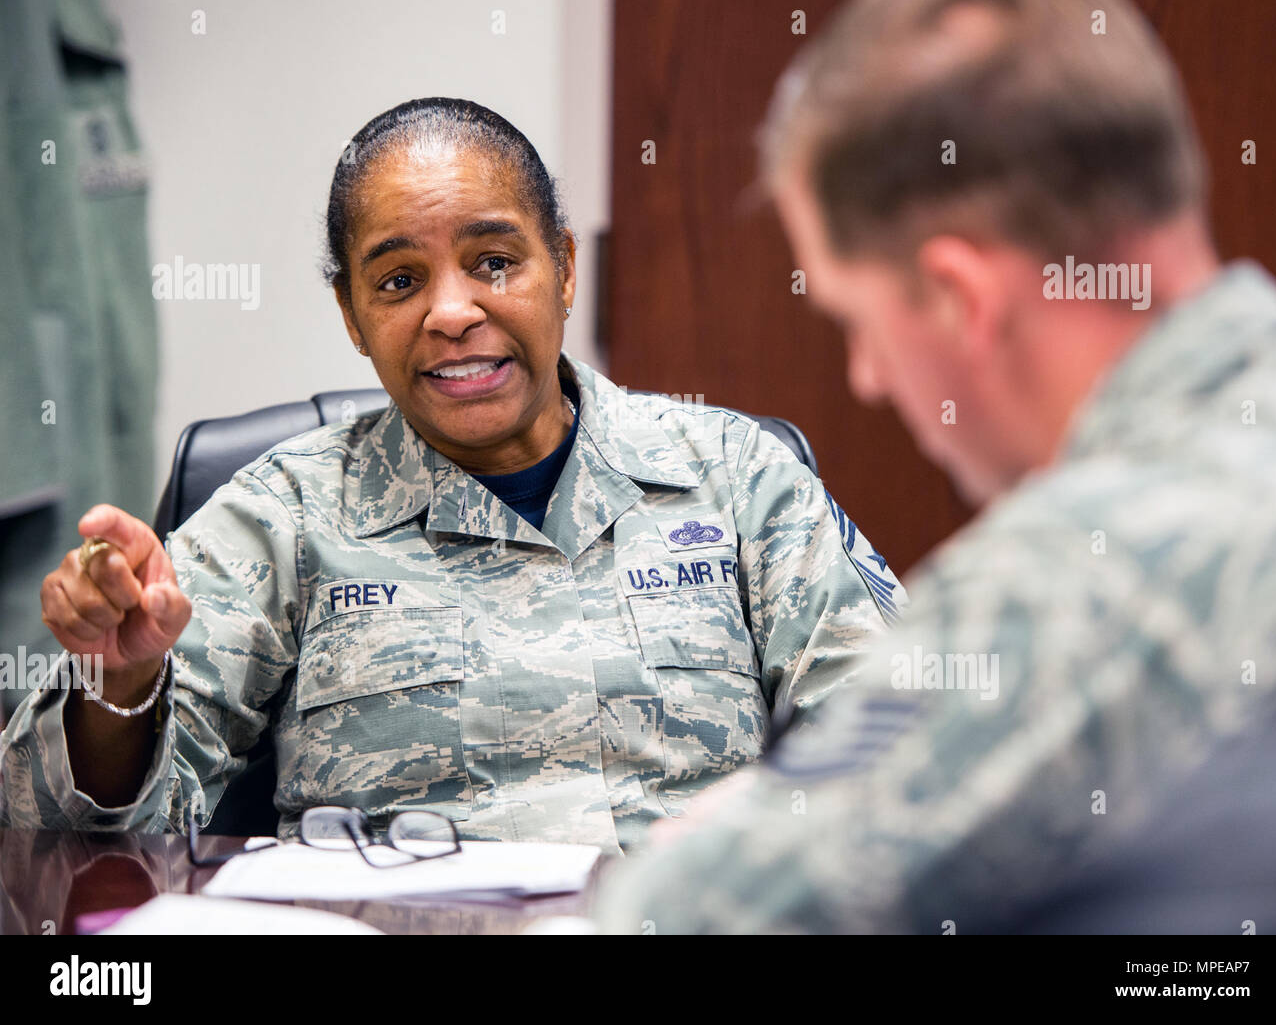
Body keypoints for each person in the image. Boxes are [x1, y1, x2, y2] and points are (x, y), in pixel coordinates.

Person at [594, 0, 1276, 931]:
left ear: (962, 298)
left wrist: (741, 828)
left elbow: (686, 918)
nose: (867, 376)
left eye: (857, 320)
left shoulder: (1071, 578)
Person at [0, 98, 903, 855]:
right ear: (353, 316)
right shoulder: (282, 516)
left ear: (564, 269)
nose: (451, 312)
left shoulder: (739, 478)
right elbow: (63, 838)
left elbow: (901, 745)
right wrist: (117, 691)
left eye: (494, 263)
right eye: (398, 282)